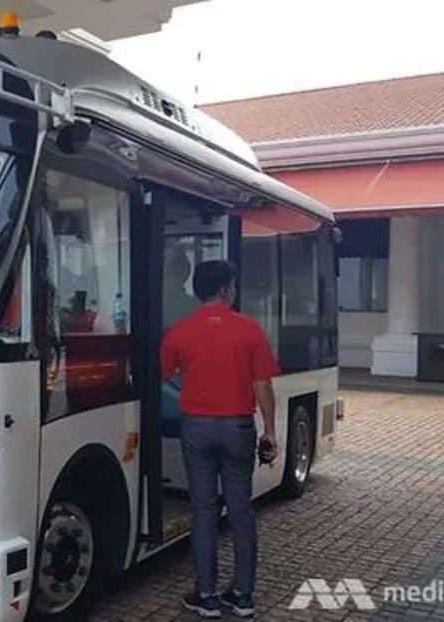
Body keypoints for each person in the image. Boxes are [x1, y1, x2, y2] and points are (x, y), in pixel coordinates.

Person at [160, 260, 279, 619]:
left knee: (204, 510)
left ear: (198, 291)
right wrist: (271, 431)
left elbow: (165, 376)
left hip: (196, 428)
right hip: (238, 428)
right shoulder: (250, 330)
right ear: (227, 289)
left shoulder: (178, 332)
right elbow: (263, 385)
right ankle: (243, 596)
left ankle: (207, 595)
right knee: (241, 510)